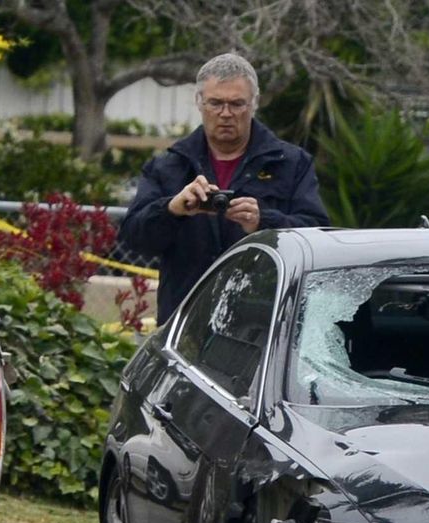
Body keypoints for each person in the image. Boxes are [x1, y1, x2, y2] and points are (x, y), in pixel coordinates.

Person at [118, 53, 329, 323]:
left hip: (263, 323)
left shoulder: (291, 164)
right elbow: (133, 239)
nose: (226, 114)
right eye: (216, 103)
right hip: (185, 321)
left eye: (237, 104)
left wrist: (264, 222)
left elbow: (317, 237)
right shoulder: (169, 166)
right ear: (199, 102)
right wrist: (172, 210)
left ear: (254, 103)